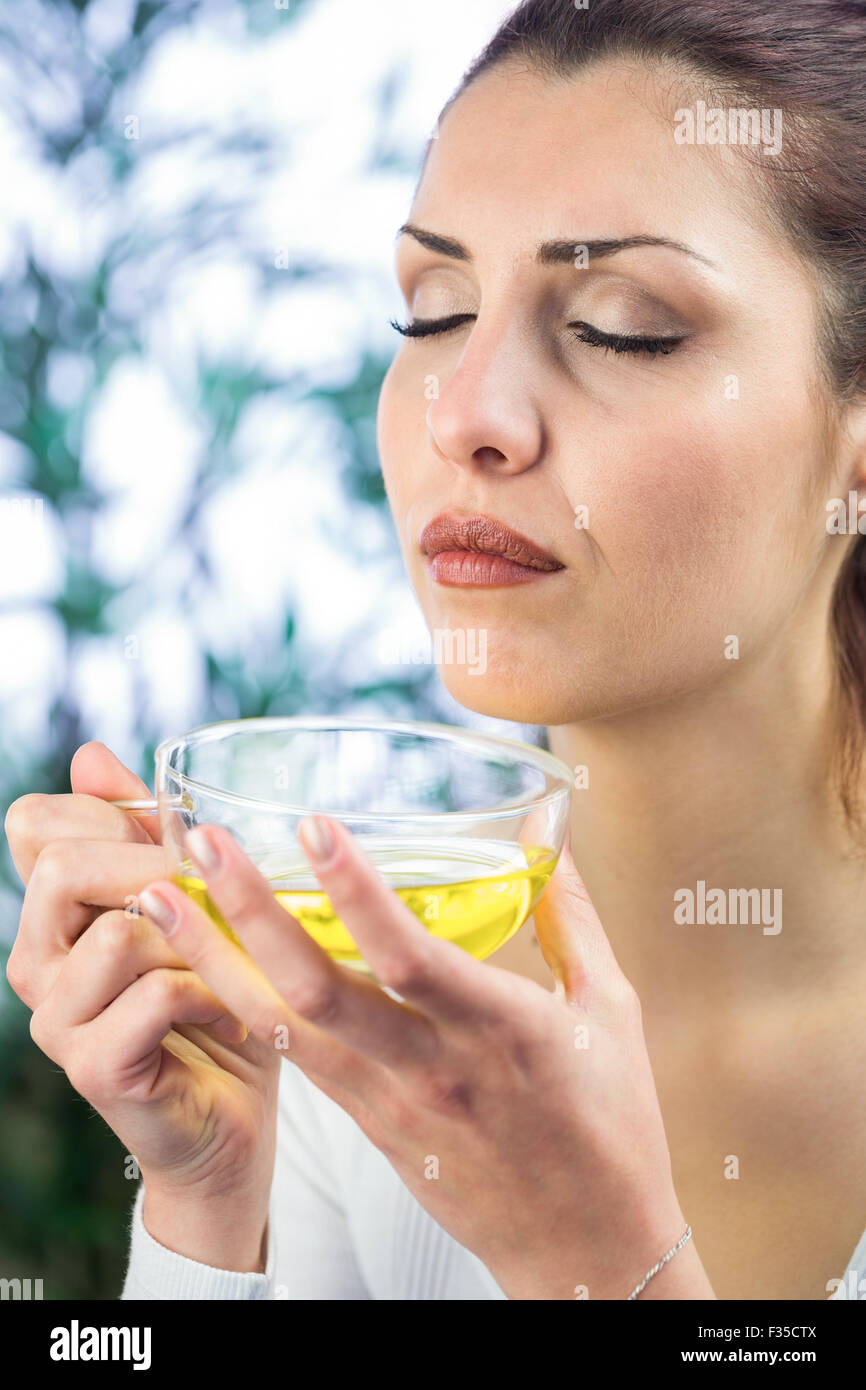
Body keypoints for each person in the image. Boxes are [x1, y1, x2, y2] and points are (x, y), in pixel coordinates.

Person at [6, 0, 866, 1300]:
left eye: (622, 323)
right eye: (433, 309)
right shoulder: (355, 998)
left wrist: (606, 1265)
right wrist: (206, 1202)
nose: (466, 413)